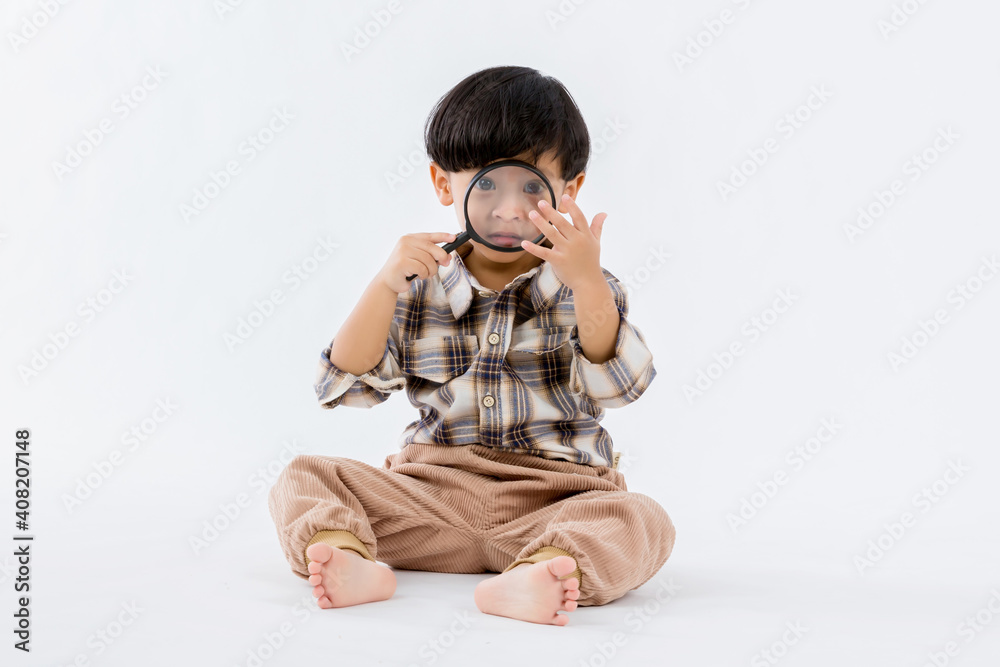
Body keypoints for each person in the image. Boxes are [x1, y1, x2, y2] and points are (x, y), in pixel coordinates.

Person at [268, 65, 676, 626]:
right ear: (444, 185)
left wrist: (588, 284)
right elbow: (345, 386)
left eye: (532, 187)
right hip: (430, 496)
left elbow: (619, 385)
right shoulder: (417, 286)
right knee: (306, 474)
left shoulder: (588, 289)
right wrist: (382, 286)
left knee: (641, 519)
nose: (508, 209)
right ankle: (349, 555)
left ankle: (547, 570)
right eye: (485, 184)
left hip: (554, 499)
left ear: (571, 191)